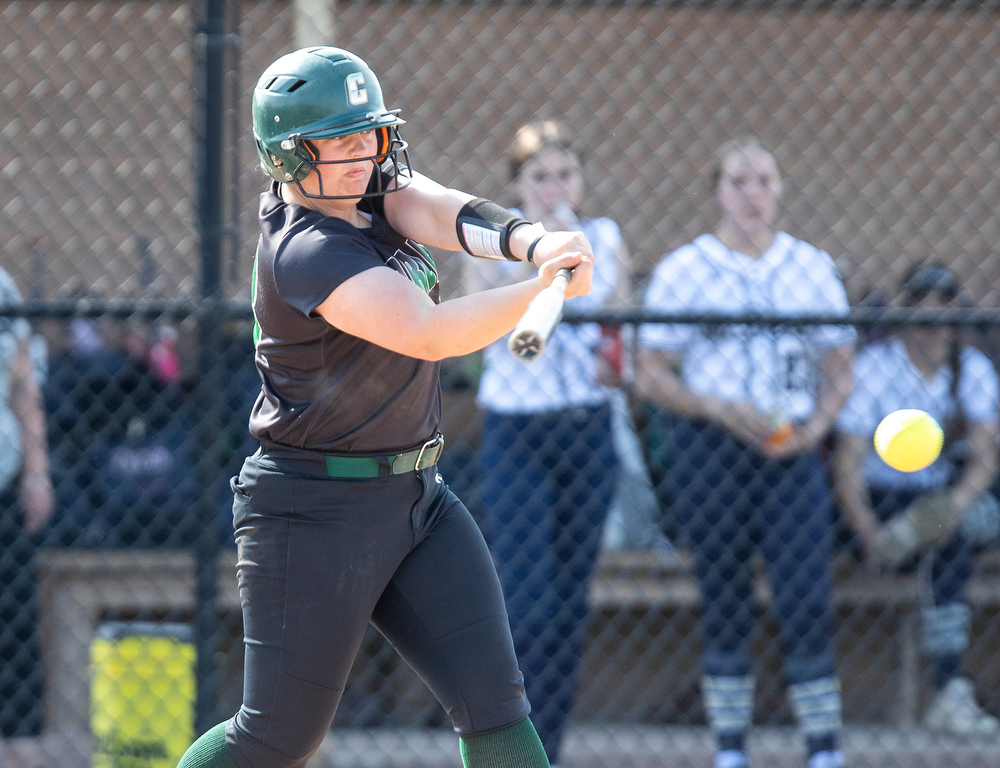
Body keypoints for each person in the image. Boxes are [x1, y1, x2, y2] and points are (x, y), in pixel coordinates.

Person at [175, 46, 594, 768]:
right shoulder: (304, 249)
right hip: (312, 511)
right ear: (290, 159)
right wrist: (537, 292)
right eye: (338, 142)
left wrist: (533, 242)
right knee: (279, 737)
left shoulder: (369, 189)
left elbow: (436, 207)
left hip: (417, 499)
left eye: (367, 134)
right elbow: (426, 334)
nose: (363, 154)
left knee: (496, 704)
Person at [635, 135, 855, 768]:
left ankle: (823, 749)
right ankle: (730, 748)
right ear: (716, 192)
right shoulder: (687, 268)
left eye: (764, 180)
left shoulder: (810, 266)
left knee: (806, 595)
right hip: (710, 447)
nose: (752, 194)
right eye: (738, 181)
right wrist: (719, 408)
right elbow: (649, 373)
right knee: (724, 593)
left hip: (792, 451)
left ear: (781, 189)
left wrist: (814, 430)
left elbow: (841, 368)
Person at [465, 119, 625, 766]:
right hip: (517, 432)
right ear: (516, 186)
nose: (555, 187)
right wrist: (541, 270)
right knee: (527, 607)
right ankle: (511, 750)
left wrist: (620, 361)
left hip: (587, 430)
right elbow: (482, 324)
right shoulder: (487, 241)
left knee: (568, 610)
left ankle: (547, 752)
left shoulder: (604, 238)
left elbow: (620, 323)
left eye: (566, 175)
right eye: (540, 177)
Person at [832, 263, 1000, 737]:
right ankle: (949, 688)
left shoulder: (971, 368)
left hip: (940, 499)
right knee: (950, 548)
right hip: (882, 497)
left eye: (943, 316)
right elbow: (847, 464)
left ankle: (948, 691)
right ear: (905, 318)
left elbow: (986, 458)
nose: (934, 329)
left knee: (952, 537)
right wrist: (865, 527)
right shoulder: (874, 367)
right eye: (923, 316)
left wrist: (951, 509)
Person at [0, 264, 54, 738]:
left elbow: (23, 386)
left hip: (4, 492)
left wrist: (36, 475)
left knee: (15, 629)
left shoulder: (3, 287)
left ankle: (19, 747)